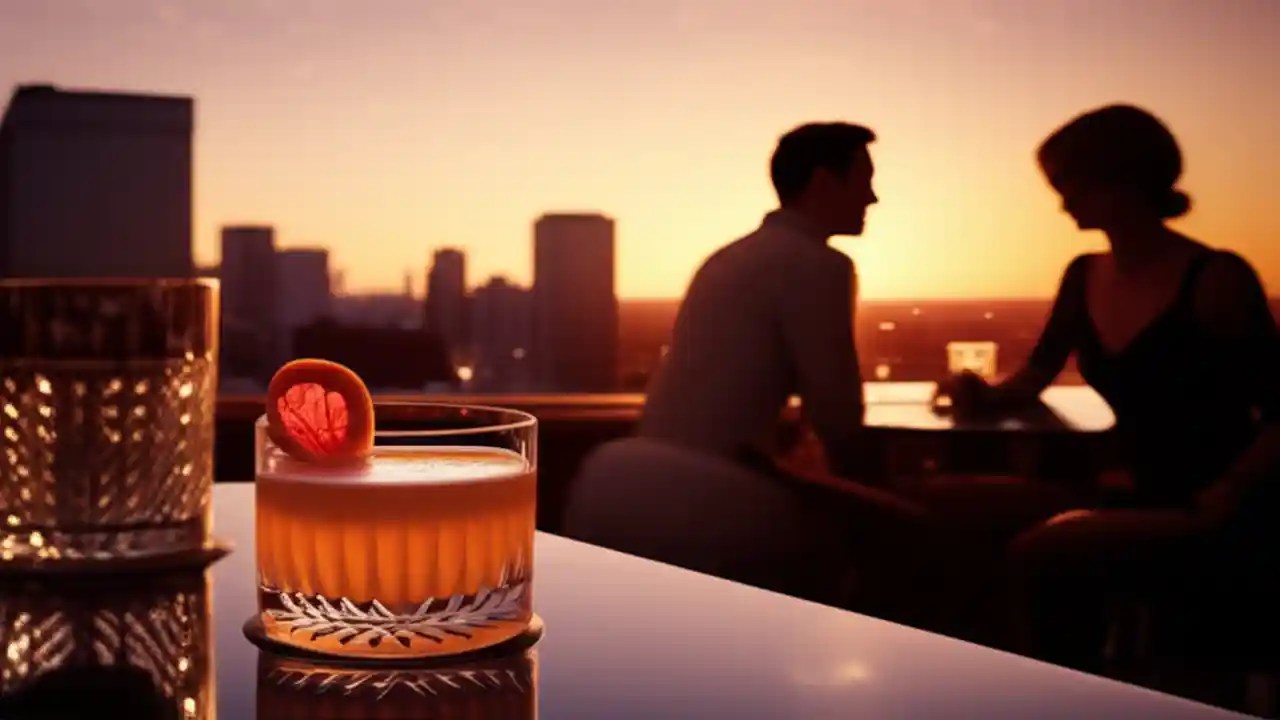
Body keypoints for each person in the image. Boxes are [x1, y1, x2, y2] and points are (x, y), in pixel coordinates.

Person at [942, 104, 1280, 670]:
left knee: (1035, 556)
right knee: (957, 517)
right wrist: (975, 388)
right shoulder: (1082, 274)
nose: (1063, 201)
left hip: (1215, 505)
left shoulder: (1217, 278)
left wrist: (1230, 491)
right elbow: (1031, 379)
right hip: (1136, 492)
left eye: (1070, 183)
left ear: (1122, 178)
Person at [637, 122, 927, 618]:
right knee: (924, 536)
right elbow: (839, 419)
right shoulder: (819, 265)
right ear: (822, 182)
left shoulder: (727, 258)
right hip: (721, 498)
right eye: (864, 180)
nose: (874, 198)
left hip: (654, 490)